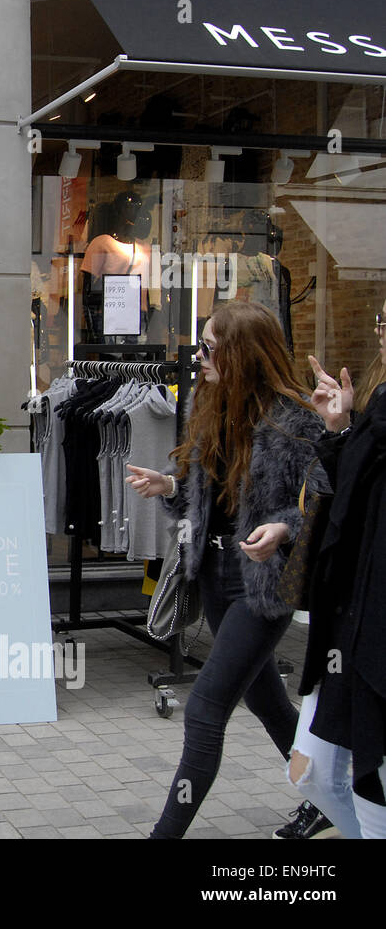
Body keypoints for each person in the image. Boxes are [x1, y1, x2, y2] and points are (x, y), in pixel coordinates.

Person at [125, 301, 325, 838]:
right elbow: (202, 490)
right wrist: (168, 486)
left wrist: (284, 527)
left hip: (261, 583)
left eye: (209, 346)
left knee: (205, 708)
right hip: (212, 571)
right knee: (264, 696)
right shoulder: (210, 404)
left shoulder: (297, 419)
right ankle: (325, 798)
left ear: (241, 352)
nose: (199, 354)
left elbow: (321, 502)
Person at [290, 298, 386, 838]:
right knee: (311, 774)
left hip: (370, 632)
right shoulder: (375, 416)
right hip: (347, 626)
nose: (380, 335)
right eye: (382, 322)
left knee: (370, 788)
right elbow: (344, 508)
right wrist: (340, 429)